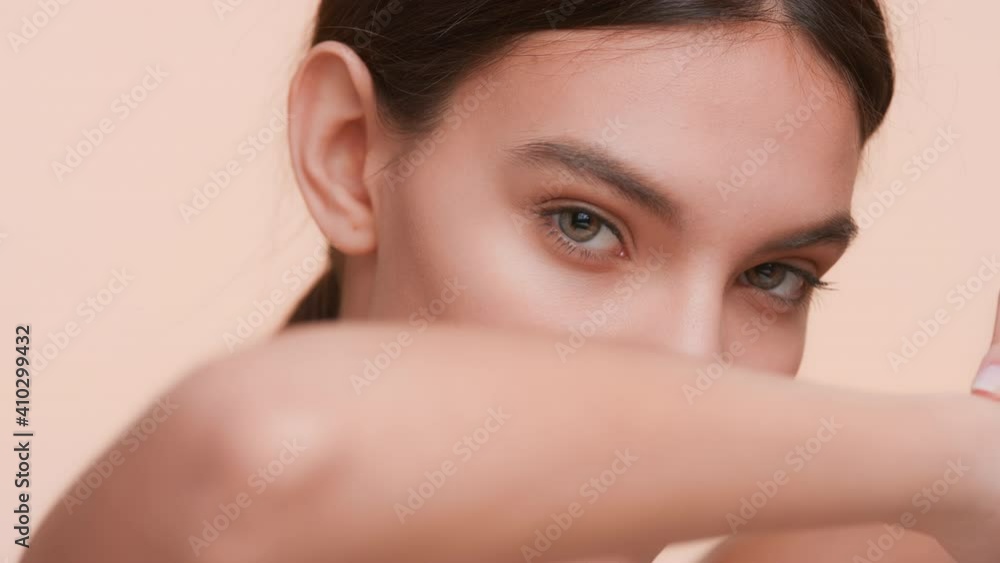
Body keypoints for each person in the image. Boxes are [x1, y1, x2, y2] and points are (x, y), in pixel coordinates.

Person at [26, 1, 1000, 562]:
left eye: (775, 275)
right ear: (346, 151)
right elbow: (261, 446)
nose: (694, 365)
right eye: (582, 224)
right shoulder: (189, 512)